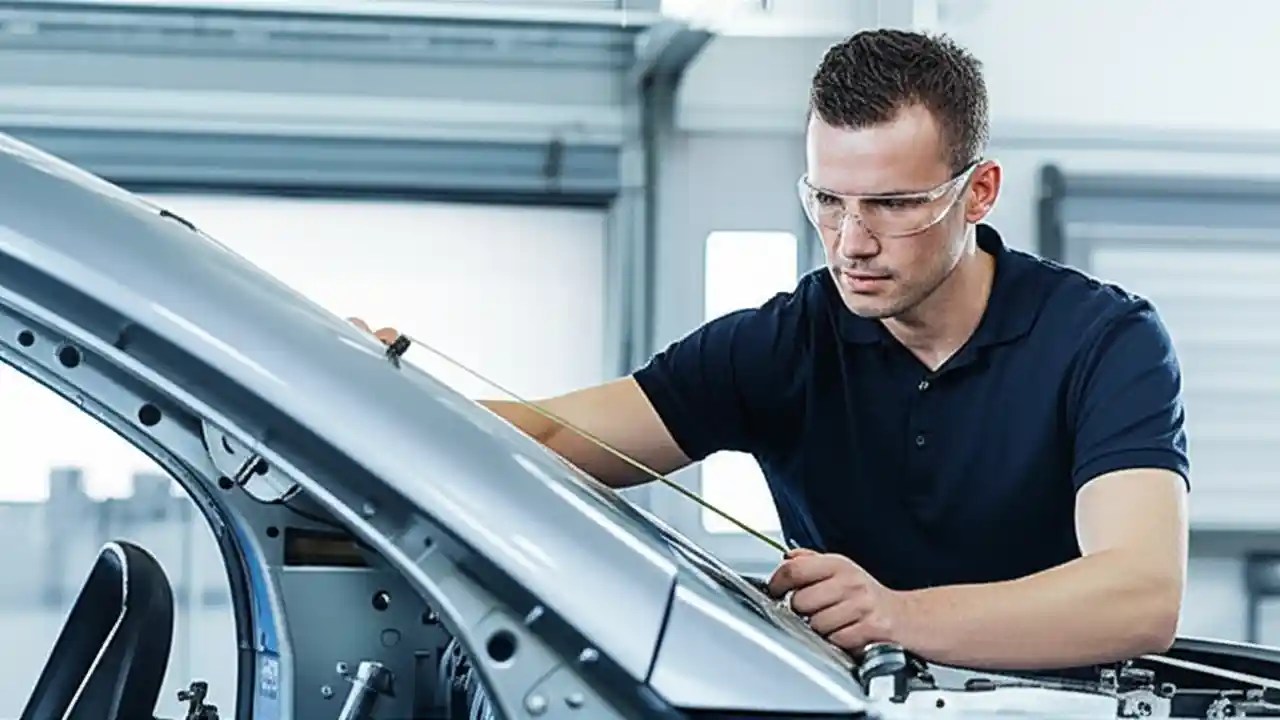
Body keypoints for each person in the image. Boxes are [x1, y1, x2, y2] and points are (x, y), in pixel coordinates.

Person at [351, 28, 1189, 672]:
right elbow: (561, 438)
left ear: (978, 192)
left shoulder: (1102, 342)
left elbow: (1139, 593)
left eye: (893, 204)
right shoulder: (786, 342)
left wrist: (897, 616)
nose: (850, 241)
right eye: (827, 199)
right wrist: (378, 394)